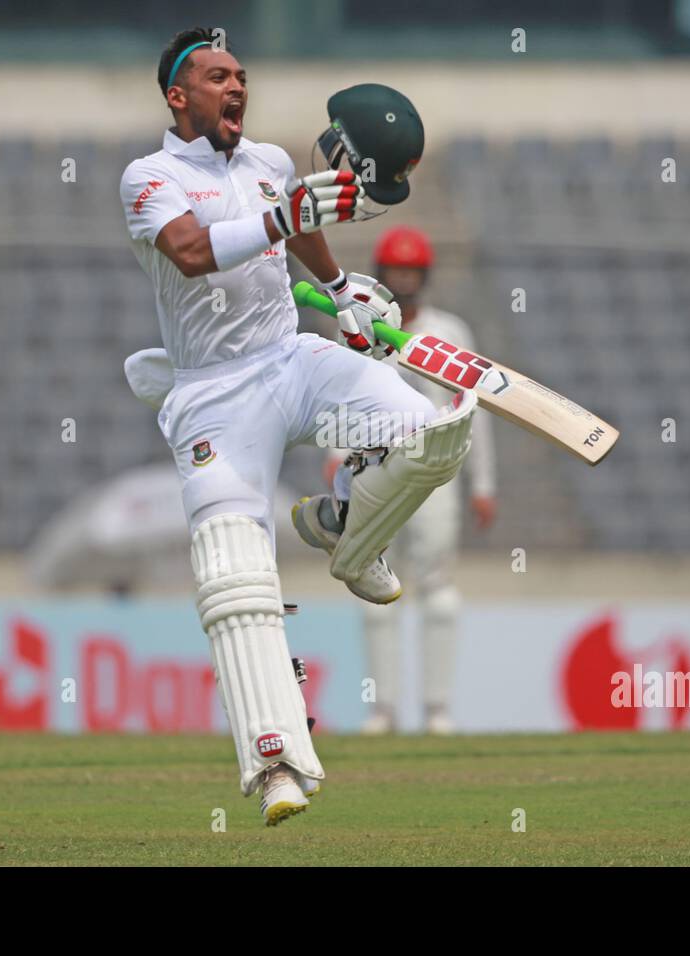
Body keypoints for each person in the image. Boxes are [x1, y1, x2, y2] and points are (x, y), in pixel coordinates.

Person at [119, 28, 474, 826]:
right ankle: (277, 763)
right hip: (213, 393)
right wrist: (284, 217)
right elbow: (191, 252)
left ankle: (347, 526)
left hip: (290, 358)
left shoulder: (273, 164)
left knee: (429, 430)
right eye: (215, 76)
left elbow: (300, 230)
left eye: (240, 75)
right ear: (178, 96)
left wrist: (342, 287)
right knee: (234, 575)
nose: (234, 85)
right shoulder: (149, 177)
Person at [322, 227, 497, 735]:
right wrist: (335, 452)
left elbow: (473, 411)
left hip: (438, 475)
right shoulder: (356, 326)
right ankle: (383, 710)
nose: (403, 280)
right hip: (374, 470)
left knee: (437, 588)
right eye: (395, 272)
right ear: (381, 275)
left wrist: (483, 484)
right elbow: (339, 393)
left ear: (424, 277)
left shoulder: (452, 332)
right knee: (373, 584)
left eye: (410, 272)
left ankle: (437, 709)